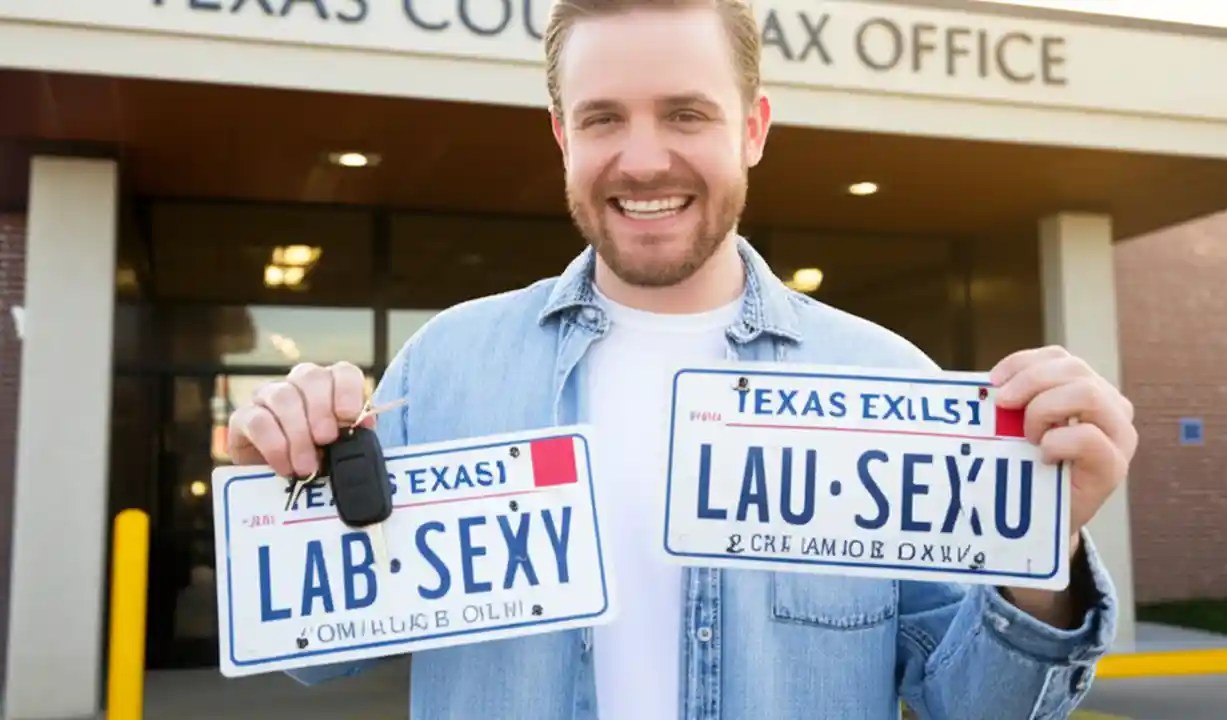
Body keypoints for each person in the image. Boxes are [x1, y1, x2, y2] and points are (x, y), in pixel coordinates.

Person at [227, 1, 1136, 717]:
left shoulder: (887, 380)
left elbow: (972, 706)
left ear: (754, 129)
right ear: (562, 137)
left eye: (687, 113)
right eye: (603, 119)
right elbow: (322, 656)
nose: (644, 157)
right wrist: (282, 482)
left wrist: (1039, 553)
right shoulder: (447, 364)